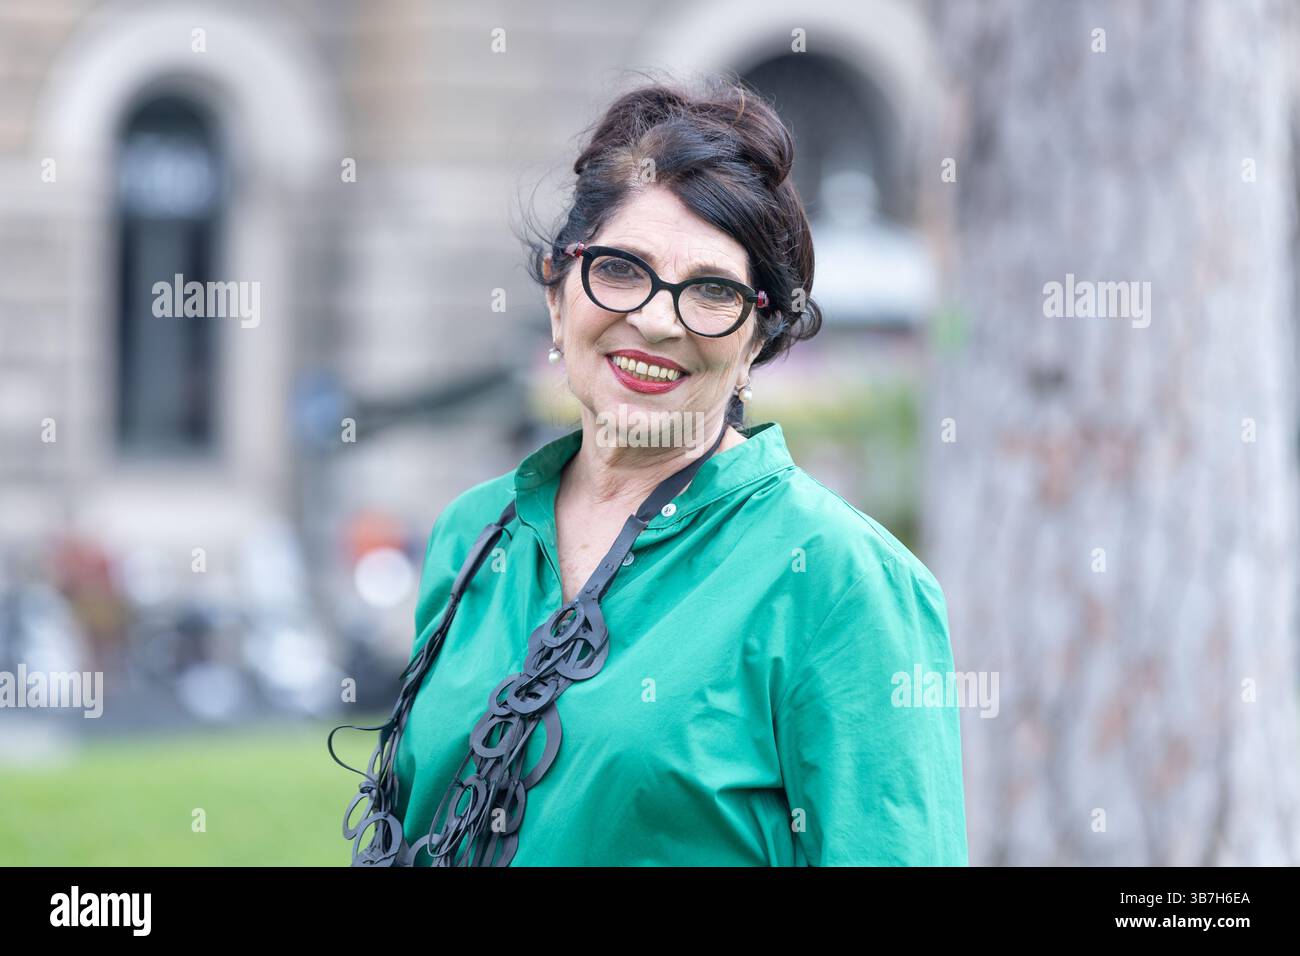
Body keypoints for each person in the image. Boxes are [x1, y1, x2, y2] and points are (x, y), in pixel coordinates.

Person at [339, 73, 969, 867]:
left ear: (756, 342)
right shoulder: (472, 531)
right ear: (558, 295)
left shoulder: (844, 583)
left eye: (710, 291)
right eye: (620, 269)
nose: (655, 318)